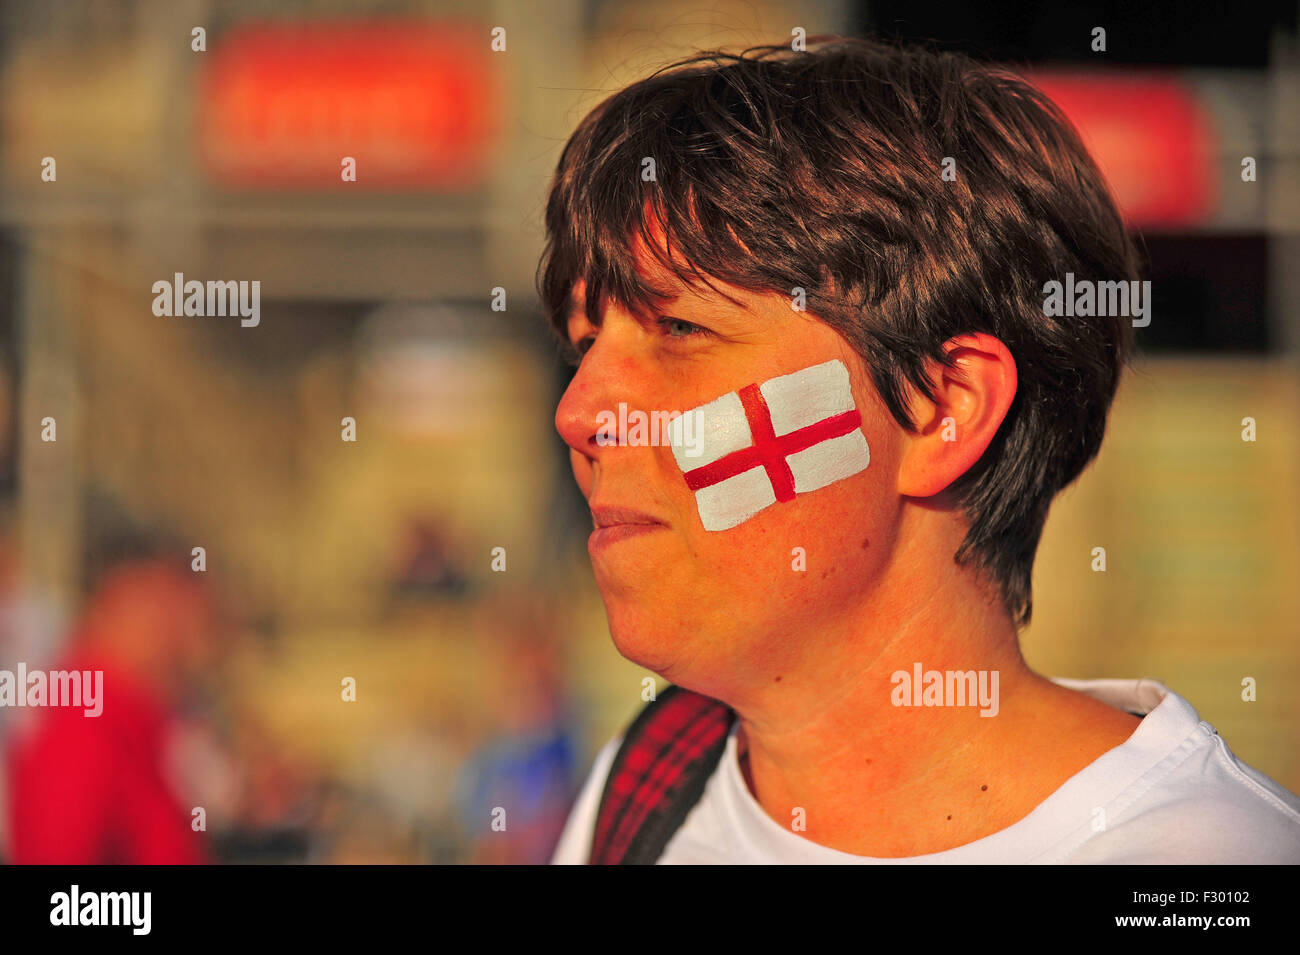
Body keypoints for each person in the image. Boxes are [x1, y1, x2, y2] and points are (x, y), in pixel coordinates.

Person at [537, 35, 1300, 863]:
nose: (579, 413)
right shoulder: (645, 784)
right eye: (585, 346)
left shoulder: (1206, 863)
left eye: (680, 328)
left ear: (945, 406)